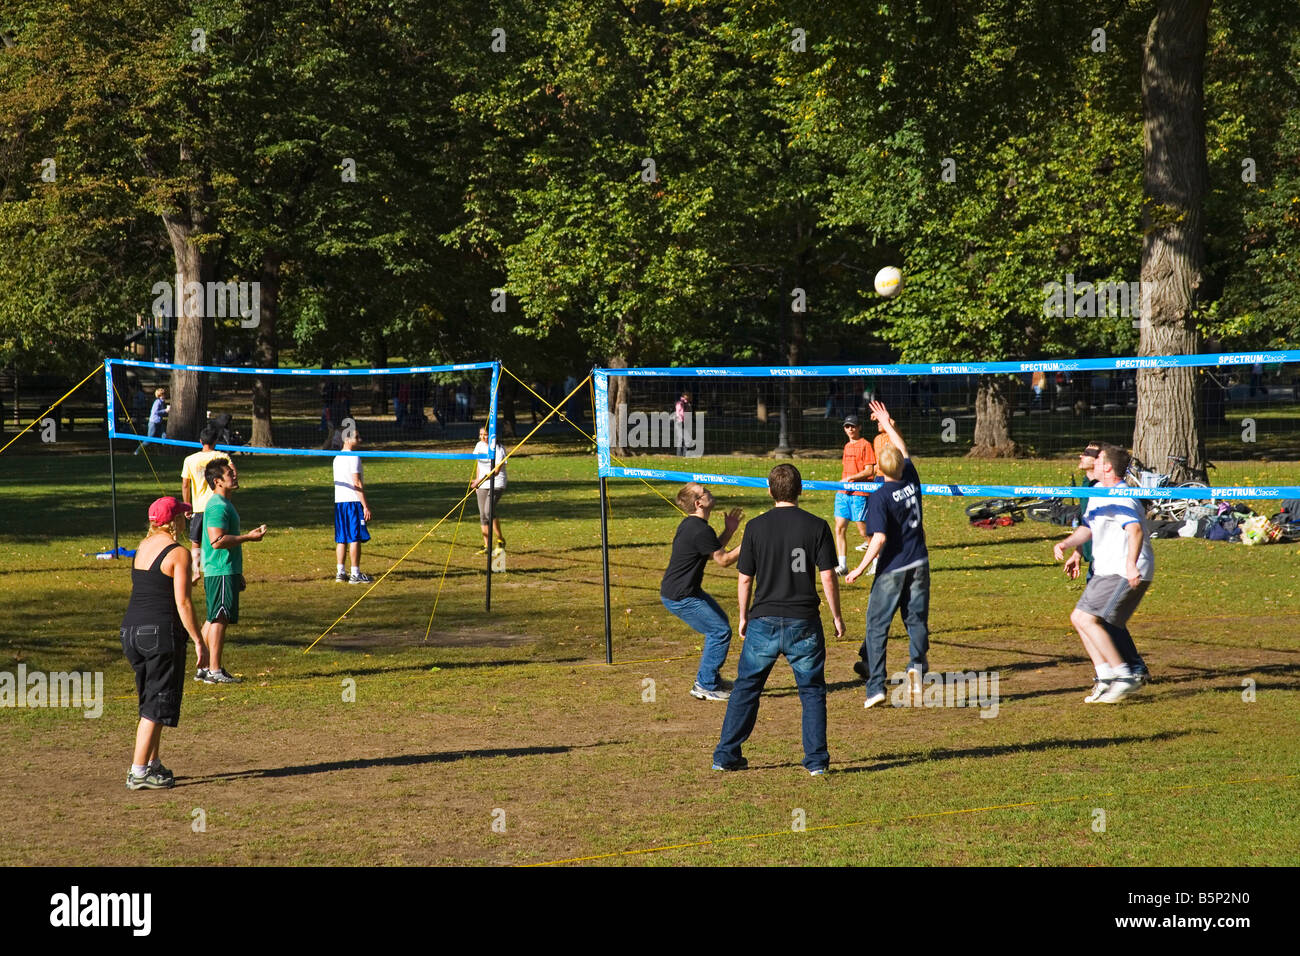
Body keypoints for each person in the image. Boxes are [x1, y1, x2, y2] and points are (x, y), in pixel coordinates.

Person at [712, 464, 844, 776]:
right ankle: (816, 762)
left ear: (770, 491)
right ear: (800, 490)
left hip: (764, 620)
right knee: (811, 692)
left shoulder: (756, 528)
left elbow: (745, 579)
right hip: (804, 621)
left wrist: (743, 616)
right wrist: (836, 616)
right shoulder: (817, 525)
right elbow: (828, 576)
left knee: (746, 688)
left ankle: (725, 755)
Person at [1052, 442, 1153, 703]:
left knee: (1090, 620)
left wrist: (1131, 564)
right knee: (1079, 618)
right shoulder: (1098, 491)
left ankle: (1125, 675)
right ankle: (1106, 676)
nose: (1092, 462)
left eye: (1097, 460)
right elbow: (1089, 527)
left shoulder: (1121, 495)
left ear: (1107, 467)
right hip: (1105, 569)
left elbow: (1136, 530)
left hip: (1123, 570)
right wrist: (1068, 545)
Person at [846, 400, 930, 708]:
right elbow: (903, 451)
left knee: (876, 625)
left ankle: (875, 687)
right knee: (916, 619)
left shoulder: (880, 496)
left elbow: (878, 539)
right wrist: (888, 424)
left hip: (893, 567)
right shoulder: (911, 477)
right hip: (920, 561)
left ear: (880, 468)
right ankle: (917, 669)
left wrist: (859, 567)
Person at [121, 497, 206, 790]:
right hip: (159, 633)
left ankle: (153, 763)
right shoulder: (177, 553)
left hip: (131, 631)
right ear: (174, 521)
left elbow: (158, 586)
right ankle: (138, 771)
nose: (186, 521)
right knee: (156, 703)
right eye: (182, 516)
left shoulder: (142, 548)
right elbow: (182, 602)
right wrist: (198, 640)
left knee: (149, 699)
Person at [660, 483, 743, 701]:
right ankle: (705, 685)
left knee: (720, 625)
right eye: (705, 491)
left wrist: (730, 530)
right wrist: (750, 543)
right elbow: (723, 560)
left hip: (685, 591)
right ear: (699, 503)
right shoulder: (699, 529)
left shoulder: (693, 525)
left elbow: (709, 552)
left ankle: (710, 679)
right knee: (720, 631)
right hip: (680, 597)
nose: (710, 491)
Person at [199, 457, 267, 684]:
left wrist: (237, 572)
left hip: (225, 570)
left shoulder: (224, 503)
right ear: (218, 481)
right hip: (219, 570)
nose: (235, 475)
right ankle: (214, 670)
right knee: (219, 617)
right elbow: (216, 540)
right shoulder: (218, 505)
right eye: (230, 474)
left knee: (213, 618)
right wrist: (248, 537)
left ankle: (204, 666)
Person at [833, 414, 877, 574]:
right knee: (839, 528)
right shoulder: (846, 446)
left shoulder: (865, 445)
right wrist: (845, 481)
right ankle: (843, 565)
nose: (850, 429)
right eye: (847, 426)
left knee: (863, 531)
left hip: (859, 492)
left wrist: (852, 478)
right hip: (843, 492)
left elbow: (869, 470)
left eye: (853, 426)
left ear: (859, 427)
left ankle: (877, 560)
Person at [180, 425, 224, 582]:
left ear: (200, 441)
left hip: (198, 507)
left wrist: (187, 505)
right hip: (217, 505)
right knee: (219, 539)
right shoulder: (221, 457)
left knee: (195, 541)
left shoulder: (190, 460)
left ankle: (196, 571)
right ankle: (218, 569)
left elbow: (185, 484)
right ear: (216, 441)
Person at [333, 429, 373, 583]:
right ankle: (355, 574)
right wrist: (365, 506)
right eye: (357, 437)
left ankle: (340, 573)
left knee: (341, 538)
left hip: (339, 503)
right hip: (352, 502)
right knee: (354, 537)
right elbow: (356, 483)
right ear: (347, 439)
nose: (360, 439)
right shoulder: (353, 457)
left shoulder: (336, 458)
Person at [470, 426, 506, 556]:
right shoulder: (479, 445)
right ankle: (487, 546)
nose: (483, 437)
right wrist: (477, 480)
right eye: (481, 434)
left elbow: (495, 472)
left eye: (485, 435)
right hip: (482, 484)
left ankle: (501, 540)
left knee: (488, 511)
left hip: (496, 483)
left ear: (492, 435)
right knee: (483, 515)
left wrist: (479, 482)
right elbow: (479, 465)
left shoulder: (499, 449)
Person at [134, 387, 167, 454]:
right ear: (159, 395)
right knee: (149, 439)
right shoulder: (157, 402)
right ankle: (137, 451)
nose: (164, 396)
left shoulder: (162, 402)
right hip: (154, 422)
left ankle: (165, 451)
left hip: (158, 422)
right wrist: (165, 410)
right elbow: (155, 412)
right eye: (163, 394)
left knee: (164, 436)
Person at [674, 390, 692, 456]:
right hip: (680, 422)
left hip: (686, 423)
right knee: (680, 438)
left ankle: (684, 454)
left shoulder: (688, 404)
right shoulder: (679, 403)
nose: (686, 398)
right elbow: (677, 413)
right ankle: (679, 455)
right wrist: (680, 418)